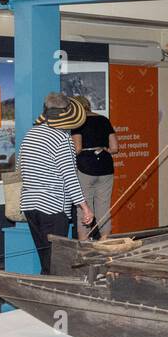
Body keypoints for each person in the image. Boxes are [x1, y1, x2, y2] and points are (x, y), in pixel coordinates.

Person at [19, 93, 92, 272]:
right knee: (57, 260)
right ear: (67, 113)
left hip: (30, 205)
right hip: (52, 206)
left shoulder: (30, 134)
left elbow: (21, 167)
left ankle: (44, 291)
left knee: (45, 256)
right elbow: (70, 177)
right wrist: (84, 207)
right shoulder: (62, 139)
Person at [70, 95, 117, 240]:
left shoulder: (78, 123)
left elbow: (76, 149)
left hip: (85, 167)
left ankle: (84, 244)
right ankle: (104, 240)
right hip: (105, 166)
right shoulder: (104, 120)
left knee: (84, 208)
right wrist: (102, 149)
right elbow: (115, 148)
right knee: (103, 207)